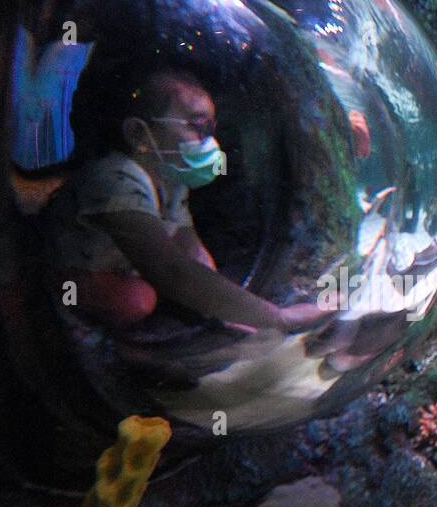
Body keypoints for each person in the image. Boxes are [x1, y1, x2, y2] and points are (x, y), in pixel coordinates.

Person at [40, 63, 327, 333]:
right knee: (135, 299)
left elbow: (188, 247)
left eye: (210, 129)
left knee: (167, 290)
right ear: (139, 134)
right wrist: (280, 318)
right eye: (195, 126)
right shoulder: (114, 180)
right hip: (67, 276)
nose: (208, 142)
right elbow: (171, 270)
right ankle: (77, 329)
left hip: (118, 269)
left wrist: (225, 310)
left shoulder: (170, 178)